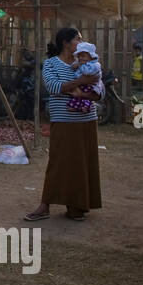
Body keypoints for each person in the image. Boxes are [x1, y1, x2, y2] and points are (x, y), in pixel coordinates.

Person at [23, 27, 102, 222]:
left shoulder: (89, 63)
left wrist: (81, 90)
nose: (81, 42)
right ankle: (45, 205)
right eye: (77, 39)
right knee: (59, 163)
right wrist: (82, 81)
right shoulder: (51, 64)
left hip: (87, 120)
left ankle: (77, 206)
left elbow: (99, 90)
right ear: (66, 43)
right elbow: (53, 87)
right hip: (64, 120)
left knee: (83, 163)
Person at [67, 42, 104, 114]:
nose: (81, 58)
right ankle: (74, 106)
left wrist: (80, 65)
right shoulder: (82, 62)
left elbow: (87, 72)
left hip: (90, 85)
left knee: (85, 96)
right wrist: (74, 66)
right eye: (79, 56)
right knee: (76, 95)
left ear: (91, 56)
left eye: (83, 56)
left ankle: (85, 107)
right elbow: (73, 66)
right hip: (82, 83)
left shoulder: (95, 65)